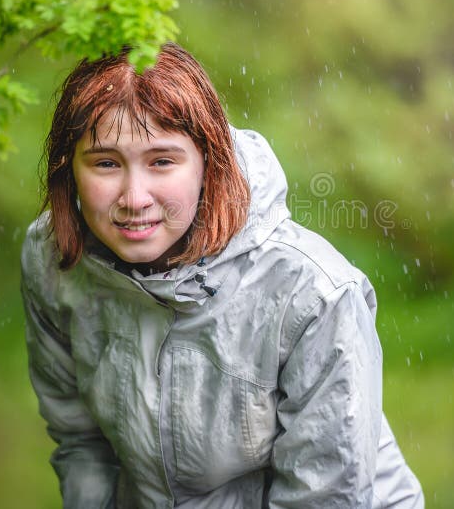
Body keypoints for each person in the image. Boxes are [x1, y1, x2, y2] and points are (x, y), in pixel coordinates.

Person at [21, 42, 424, 508]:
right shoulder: (51, 259)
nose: (134, 197)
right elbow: (80, 442)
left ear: (208, 163)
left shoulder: (312, 294)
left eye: (162, 161)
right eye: (106, 163)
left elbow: (324, 496)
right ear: (68, 169)